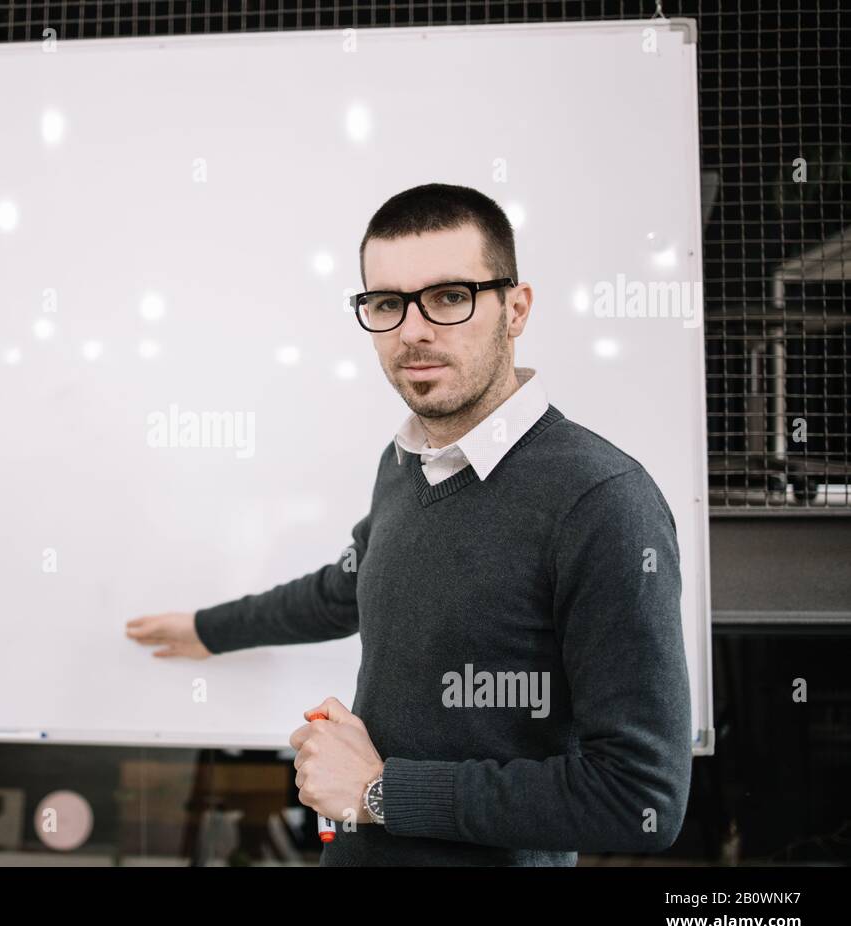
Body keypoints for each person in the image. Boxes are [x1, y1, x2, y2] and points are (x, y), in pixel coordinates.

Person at [126, 183, 693, 866]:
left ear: (516, 309)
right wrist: (205, 630)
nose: (413, 330)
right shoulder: (406, 463)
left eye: (450, 297)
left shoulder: (602, 502)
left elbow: (639, 798)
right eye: (387, 304)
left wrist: (378, 790)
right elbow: (346, 588)